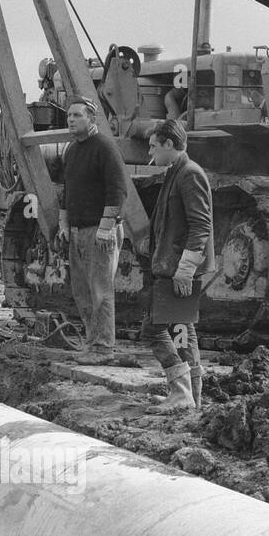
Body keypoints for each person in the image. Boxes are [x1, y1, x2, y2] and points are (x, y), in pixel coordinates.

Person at [141, 119, 213, 415]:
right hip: (172, 266)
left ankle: (182, 392)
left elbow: (201, 225)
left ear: (169, 144)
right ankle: (191, 396)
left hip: (179, 269)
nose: (150, 151)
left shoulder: (189, 173)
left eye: (154, 145)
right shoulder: (177, 171)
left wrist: (185, 269)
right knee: (183, 329)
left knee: (153, 330)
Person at [55, 96, 128, 356]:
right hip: (77, 231)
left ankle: (103, 347)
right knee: (82, 293)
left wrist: (107, 227)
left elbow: (118, 190)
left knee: (101, 292)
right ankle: (91, 341)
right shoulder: (72, 151)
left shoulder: (104, 147)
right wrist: (64, 224)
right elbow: (66, 192)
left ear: (92, 119)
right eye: (69, 116)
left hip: (99, 232)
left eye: (77, 115)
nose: (71, 120)